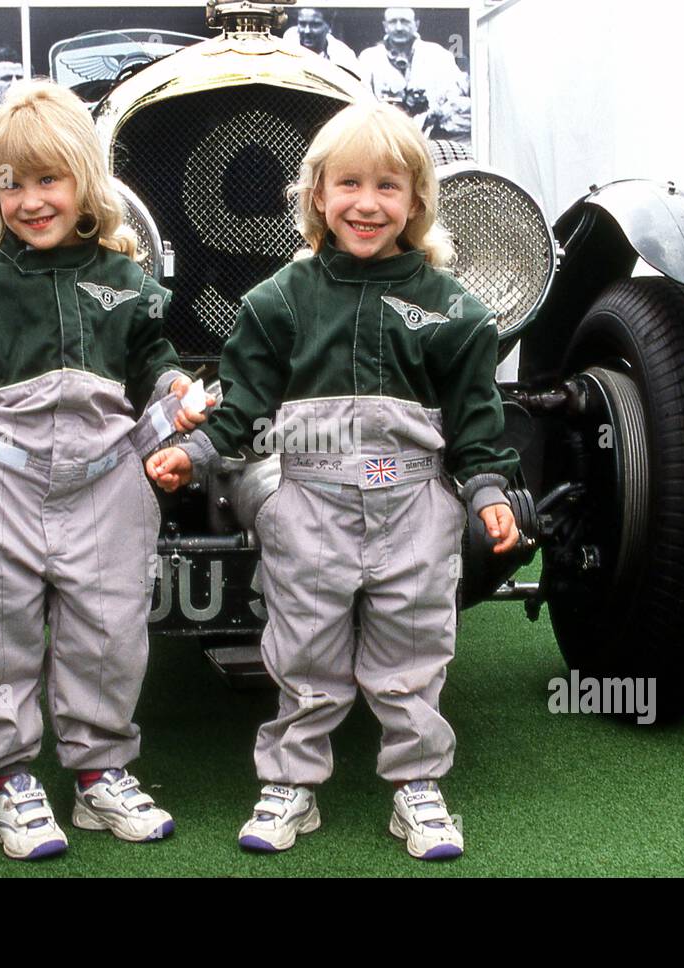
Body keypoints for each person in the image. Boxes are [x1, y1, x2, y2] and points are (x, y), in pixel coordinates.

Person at [147, 102, 521, 860]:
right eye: (347, 183)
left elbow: (476, 424)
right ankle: (291, 785)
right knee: (303, 649)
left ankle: (416, 786)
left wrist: (486, 494)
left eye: (389, 186)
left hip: (415, 501)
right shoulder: (278, 301)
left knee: (414, 650)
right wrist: (196, 455)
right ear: (316, 195)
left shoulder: (456, 311)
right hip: (308, 500)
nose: (367, 203)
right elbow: (242, 411)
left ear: (417, 201)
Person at [0, 80, 210, 861]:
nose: (28, 199)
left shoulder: (128, 284)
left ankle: (98, 775)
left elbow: (152, 363)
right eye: (9, 184)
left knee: (110, 633)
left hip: (104, 486)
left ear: (85, 182)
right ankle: (9, 782)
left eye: (47, 179)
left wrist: (176, 393)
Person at [357, 7, 470, 138]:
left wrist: (432, 114)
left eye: (405, 21)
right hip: (385, 135)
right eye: (393, 22)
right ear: (385, 26)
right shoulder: (369, 57)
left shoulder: (438, 54)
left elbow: (454, 95)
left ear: (416, 24)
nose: (399, 27)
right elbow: (362, 97)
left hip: (432, 134)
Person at [283, 7, 359, 75]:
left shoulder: (344, 55)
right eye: (302, 24)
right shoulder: (288, 43)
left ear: (329, 26)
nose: (307, 31)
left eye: (315, 25)